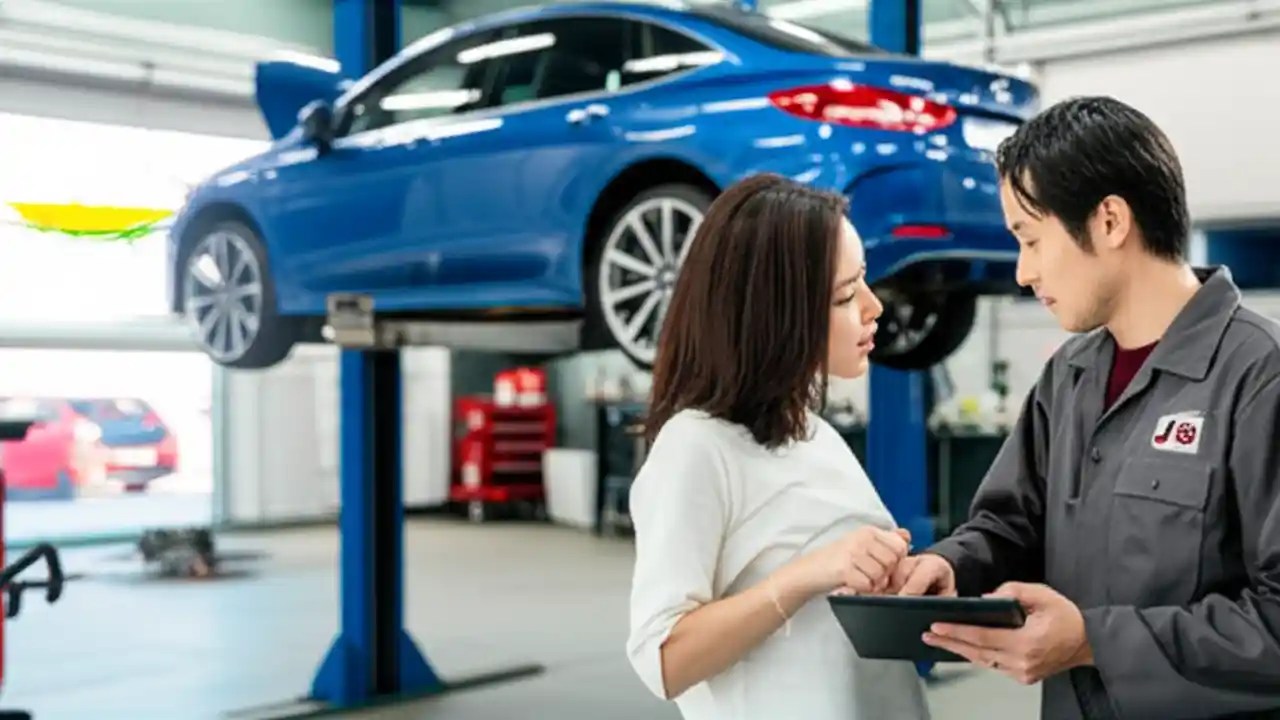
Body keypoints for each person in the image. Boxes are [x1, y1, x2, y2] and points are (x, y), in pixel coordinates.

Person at [893, 95, 1280, 719]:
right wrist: (951, 566)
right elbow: (1011, 525)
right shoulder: (1068, 377)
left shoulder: (1259, 376)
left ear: (1109, 222)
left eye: (1031, 239)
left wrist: (1095, 642)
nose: (1023, 273)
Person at [625, 174, 931, 720]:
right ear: (777, 310)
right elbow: (664, 659)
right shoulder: (696, 447)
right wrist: (810, 573)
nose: (872, 307)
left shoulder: (813, 433)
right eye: (845, 295)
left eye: (863, 281)